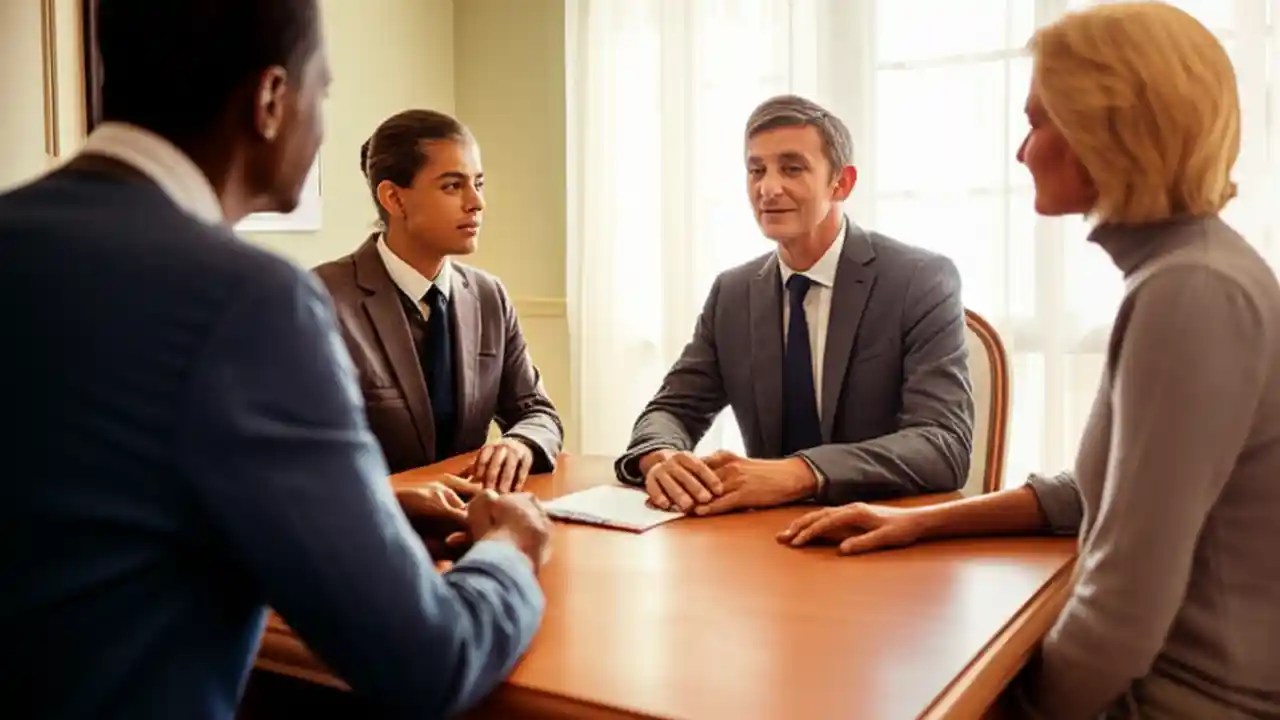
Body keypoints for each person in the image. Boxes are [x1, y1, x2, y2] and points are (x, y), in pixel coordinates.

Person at [0, 1, 551, 718]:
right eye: (323, 93)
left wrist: (372, 506)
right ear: (270, 100)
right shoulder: (252, 301)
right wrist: (510, 549)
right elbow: (428, 661)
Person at [780, 3, 1280, 717]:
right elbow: (1095, 494)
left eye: (1039, 122)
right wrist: (916, 522)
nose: (1021, 152)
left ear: (1106, 129)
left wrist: (1002, 710)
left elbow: (1124, 602)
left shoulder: (1191, 293)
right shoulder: (1189, 272)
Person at [615, 95, 974, 516]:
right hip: (765, 536)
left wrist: (801, 473)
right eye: (756, 170)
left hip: (879, 533)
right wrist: (662, 456)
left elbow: (942, 444)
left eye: (792, 168)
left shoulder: (919, 280)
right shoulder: (733, 293)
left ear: (842, 183)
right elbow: (671, 410)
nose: (767, 188)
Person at [315, 109, 562, 492]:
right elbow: (302, 455)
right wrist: (402, 494)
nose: (476, 202)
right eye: (452, 186)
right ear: (394, 198)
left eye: (479, 183)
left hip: (472, 514)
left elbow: (537, 413)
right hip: (371, 520)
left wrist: (519, 443)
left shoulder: (488, 296)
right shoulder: (321, 299)